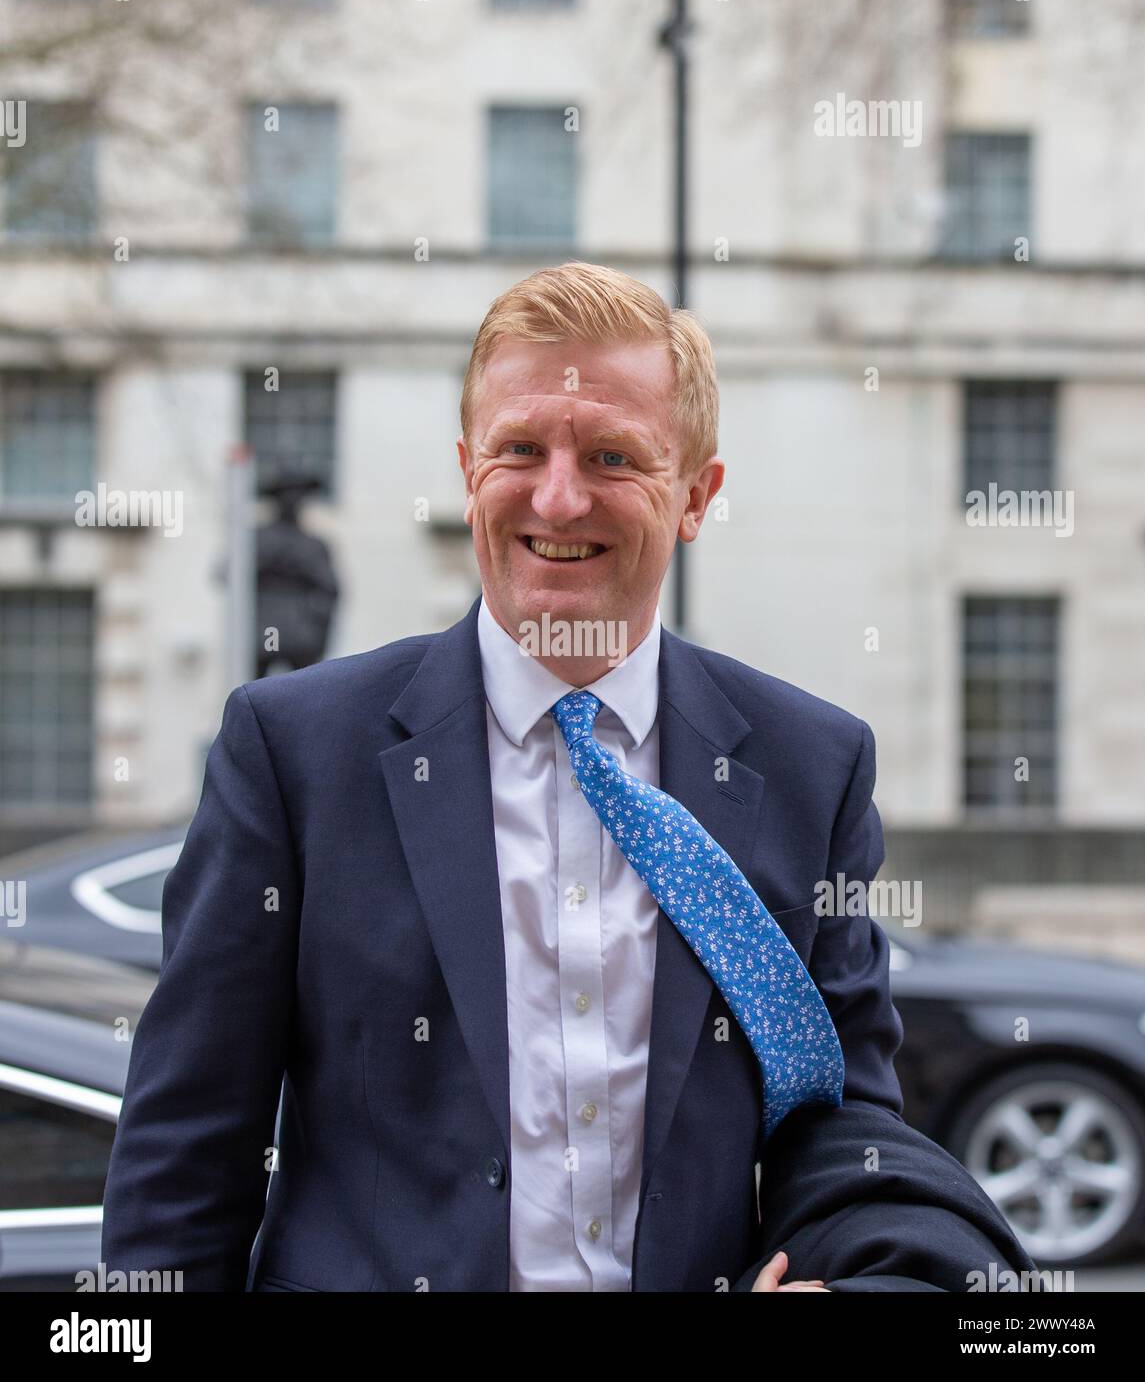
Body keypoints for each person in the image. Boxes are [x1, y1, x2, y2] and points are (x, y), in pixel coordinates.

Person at [102, 260, 1036, 1292]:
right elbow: (186, 1151)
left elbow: (837, 1116)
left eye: (610, 456)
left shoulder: (810, 765)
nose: (557, 495)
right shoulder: (294, 753)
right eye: (519, 449)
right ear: (467, 472)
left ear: (694, 495)